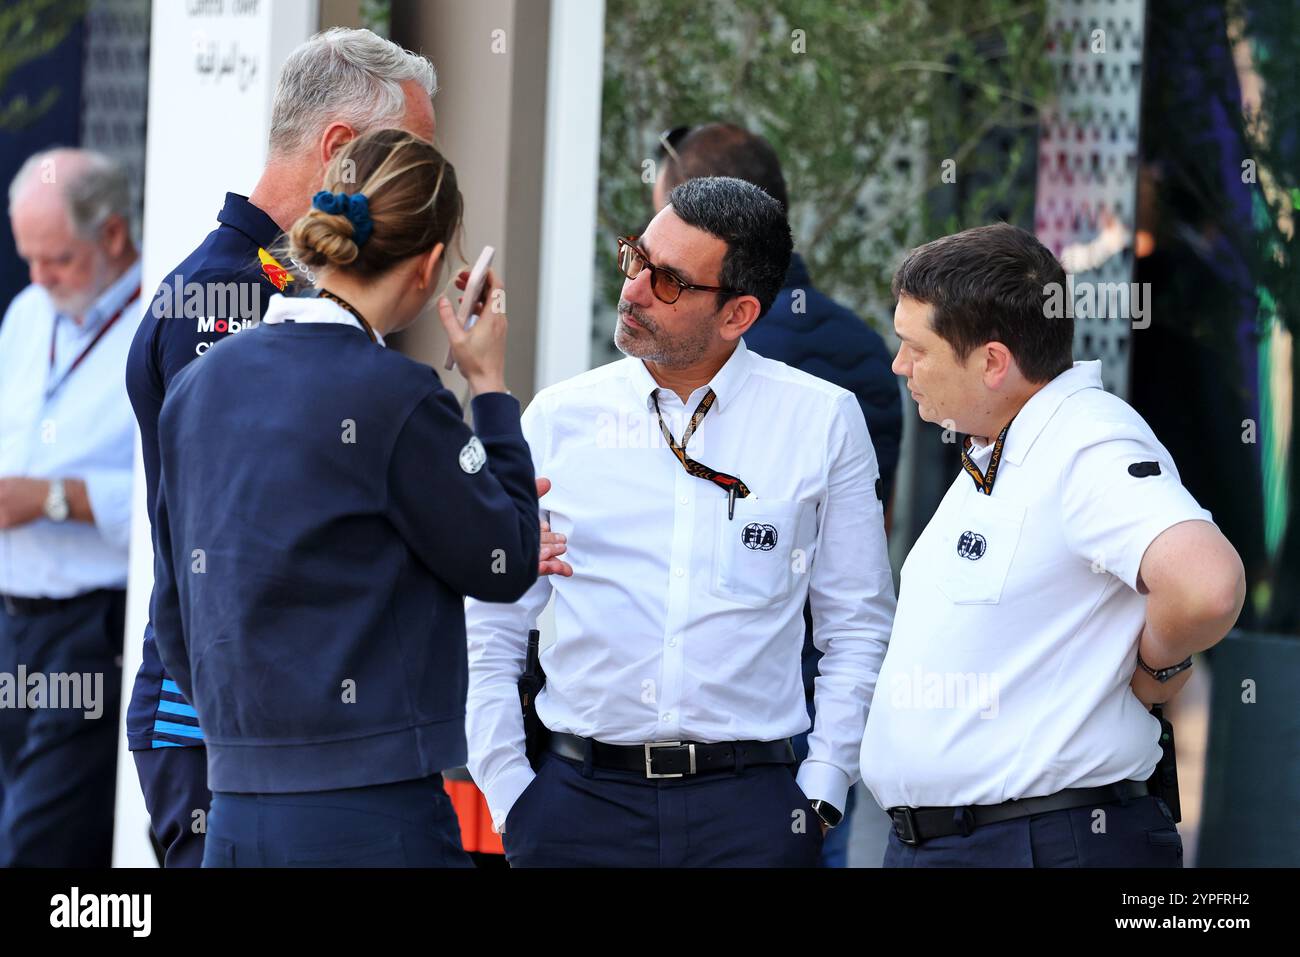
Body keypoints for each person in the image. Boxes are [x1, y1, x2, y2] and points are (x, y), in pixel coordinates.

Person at [466, 176, 896, 867]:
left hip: (749, 812)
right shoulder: (558, 417)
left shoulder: (821, 420)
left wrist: (820, 793)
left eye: (668, 281)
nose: (634, 289)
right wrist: (512, 794)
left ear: (738, 313)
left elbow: (858, 624)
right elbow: (491, 620)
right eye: (637, 257)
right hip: (576, 805)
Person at [149, 128, 540, 868]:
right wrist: (488, 385)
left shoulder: (201, 384)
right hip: (372, 815)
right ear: (428, 268)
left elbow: (176, 615)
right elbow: (507, 560)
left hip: (232, 809)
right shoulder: (399, 396)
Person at [125, 27, 438, 867]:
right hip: (225, 721)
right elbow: (243, 535)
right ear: (341, 148)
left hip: (288, 723)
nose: (421, 189)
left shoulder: (291, 283)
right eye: (407, 158)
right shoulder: (223, 292)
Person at [861, 223, 1246, 867]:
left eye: (915, 347)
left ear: (992, 362)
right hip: (976, 842)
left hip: (1040, 842)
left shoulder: (1084, 440)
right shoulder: (1002, 444)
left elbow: (1208, 587)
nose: (900, 365)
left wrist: (1155, 670)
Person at [653, 123, 903, 865]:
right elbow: (866, 533)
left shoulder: (704, 347)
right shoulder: (864, 348)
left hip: (726, 715)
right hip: (820, 699)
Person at [0, 148, 142, 866]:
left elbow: (165, 495)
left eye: (54, 258)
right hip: (12, 617)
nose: (38, 277)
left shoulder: (158, 325)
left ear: (111, 236)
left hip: (91, 625)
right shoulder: (30, 313)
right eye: (29, 257)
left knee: (35, 847)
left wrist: (54, 497)